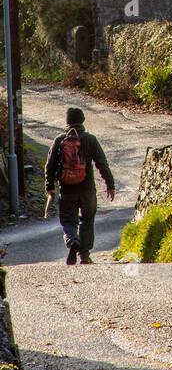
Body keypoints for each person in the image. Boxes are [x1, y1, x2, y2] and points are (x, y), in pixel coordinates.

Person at [45, 106, 115, 265]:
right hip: (87, 189)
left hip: (67, 190)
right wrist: (110, 184)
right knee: (87, 220)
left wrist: (49, 186)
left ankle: (72, 240)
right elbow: (102, 163)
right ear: (82, 120)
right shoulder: (90, 139)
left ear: (67, 122)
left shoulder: (59, 140)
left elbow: (50, 165)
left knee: (69, 221)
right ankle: (84, 255)